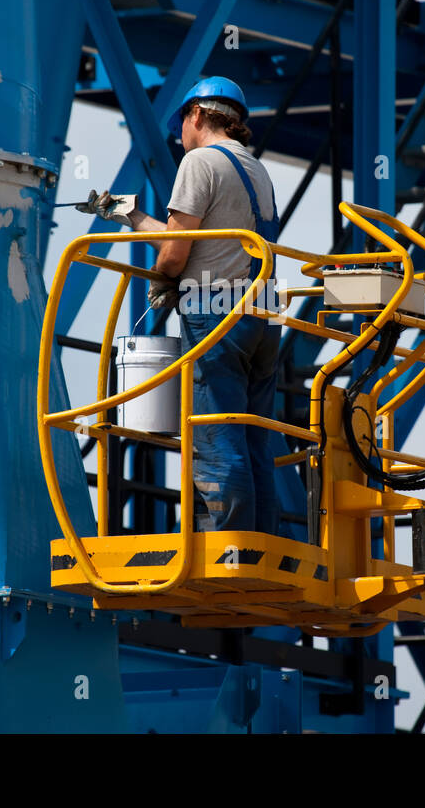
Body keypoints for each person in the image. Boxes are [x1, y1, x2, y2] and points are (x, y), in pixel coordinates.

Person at [80, 77, 281, 535]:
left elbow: (174, 252)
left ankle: (225, 547)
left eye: (182, 126)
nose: (179, 137)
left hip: (216, 312)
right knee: (252, 439)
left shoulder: (199, 161)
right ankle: (258, 545)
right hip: (262, 313)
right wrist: (131, 216)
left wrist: (169, 279)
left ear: (196, 116)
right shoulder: (255, 169)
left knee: (214, 432)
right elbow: (193, 237)